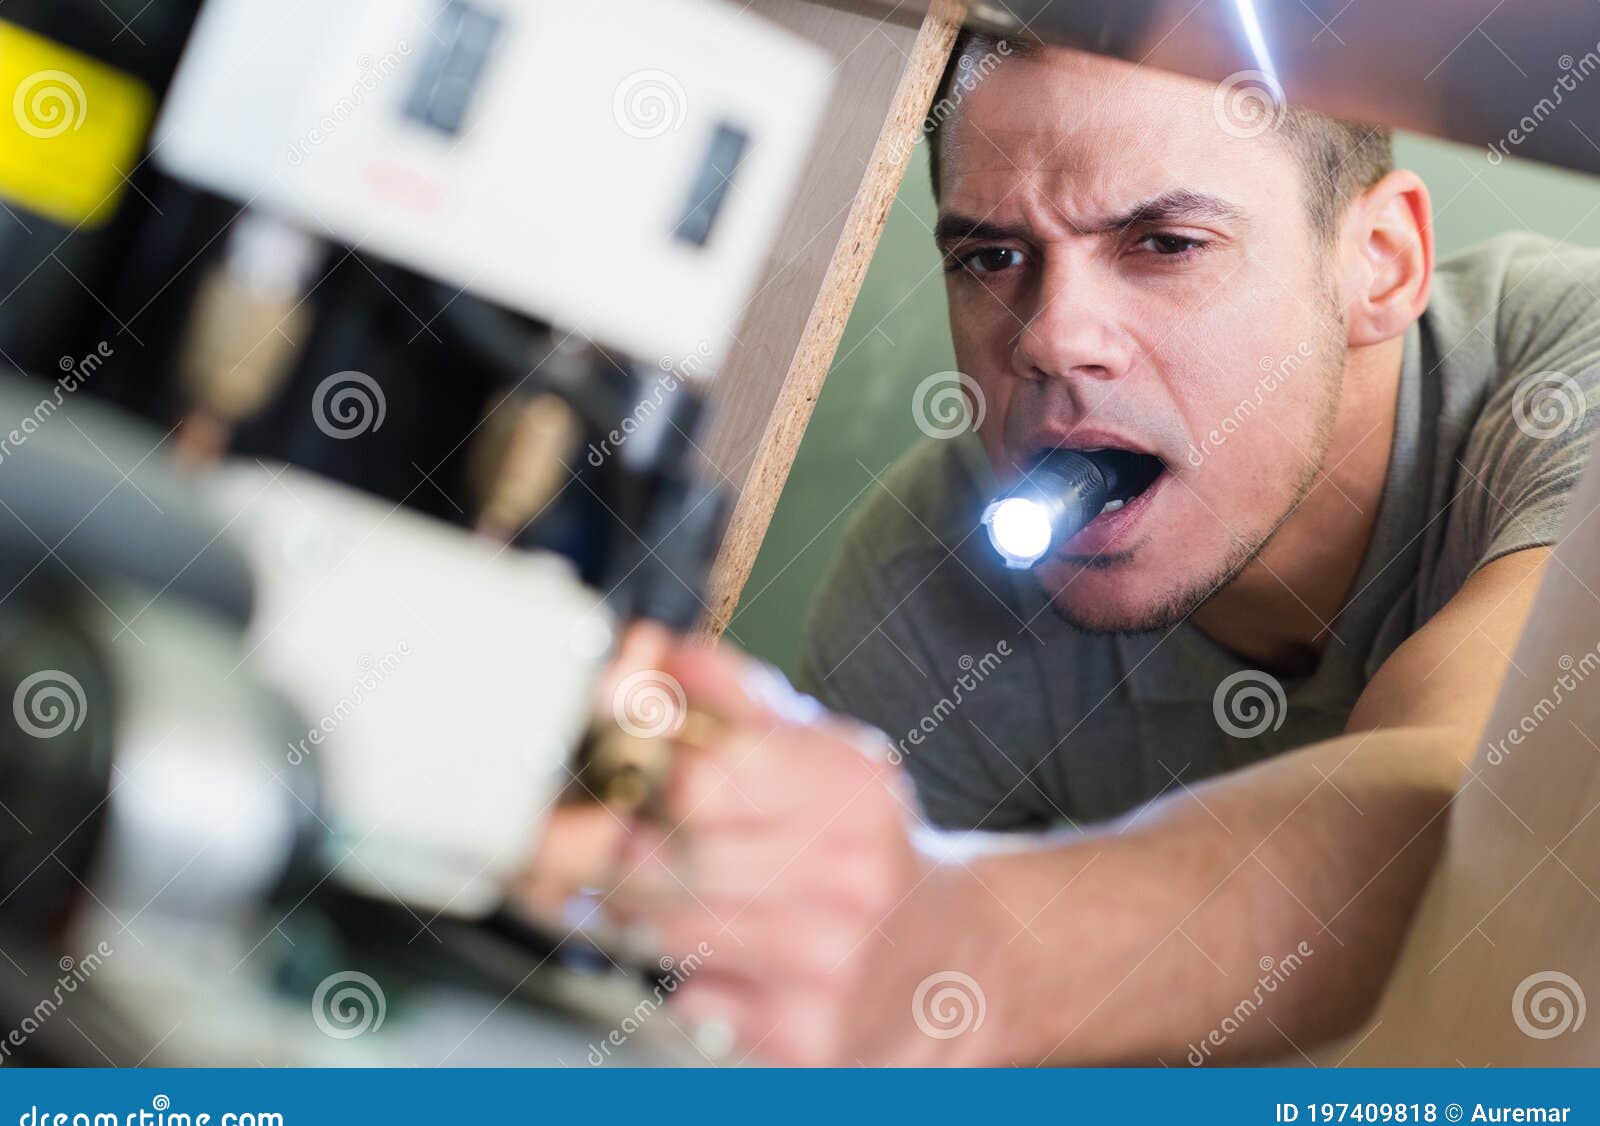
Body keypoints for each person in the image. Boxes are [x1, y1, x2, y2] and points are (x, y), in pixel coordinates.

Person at [533, 37, 1600, 1065]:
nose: (1049, 337)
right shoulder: (926, 587)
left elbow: (1480, 802)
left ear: (1381, 264)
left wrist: (952, 958)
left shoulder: (1572, 385)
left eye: (1164, 244)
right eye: (993, 257)